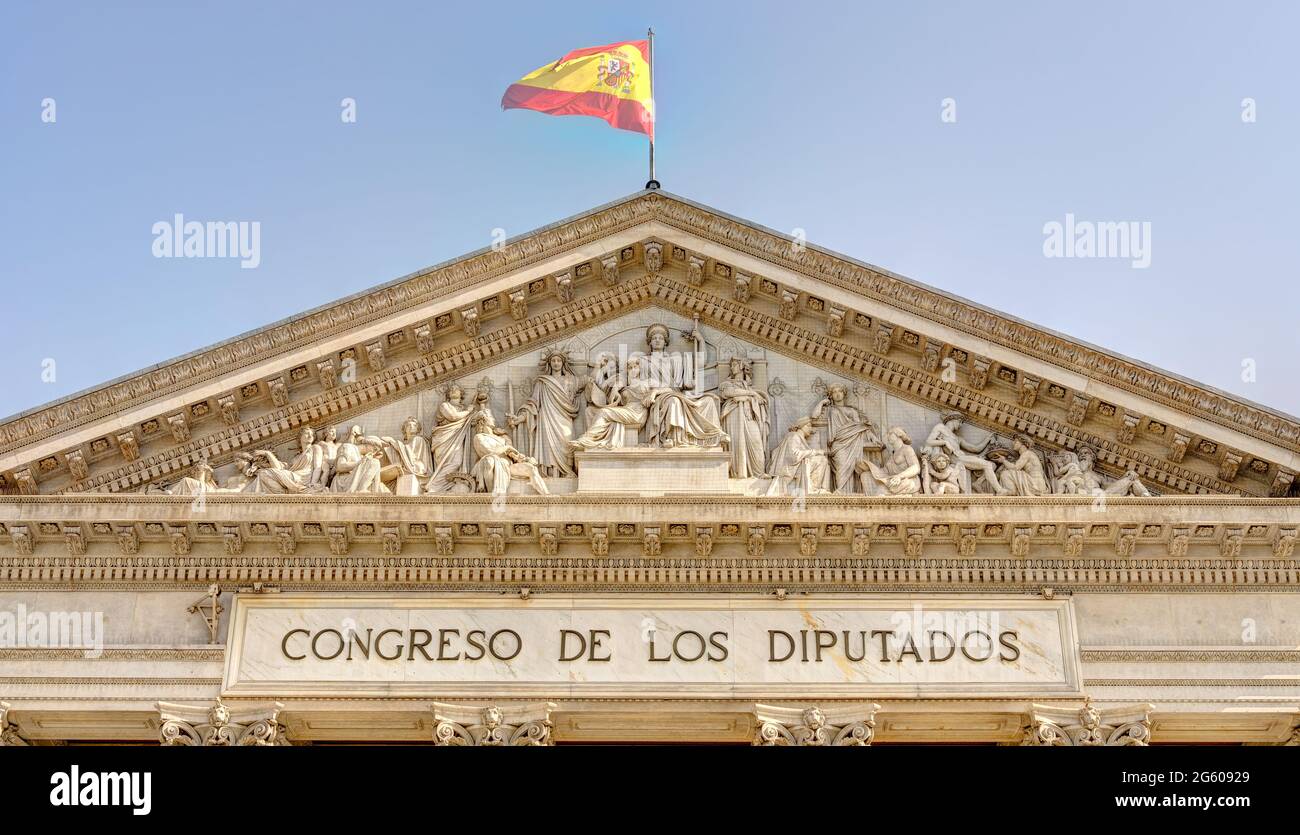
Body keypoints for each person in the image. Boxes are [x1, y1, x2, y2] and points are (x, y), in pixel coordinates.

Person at [509, 350, 585, 477]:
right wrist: (519, 419)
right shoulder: (543, 382)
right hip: (547, 418)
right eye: (553, 360)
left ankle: (566, 471)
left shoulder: (571, 380)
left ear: (563, 363)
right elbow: (533, 403)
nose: (556, 363)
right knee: (548, 447)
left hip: (565, 417)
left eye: (559, 360)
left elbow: (587, 381)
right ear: (549, 363)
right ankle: (551, 474)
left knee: (567, 441)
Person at [812, 383, 880, 493]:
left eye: (840, 391)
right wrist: (822, 403)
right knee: (841, 468)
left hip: (852, 441)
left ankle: (848, 495)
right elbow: (814, 416)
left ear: (844, 394)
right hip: (838, 444)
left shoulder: (852, 411)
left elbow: (860, 427)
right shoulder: (830, 410)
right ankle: (841, 492)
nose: (837, 394)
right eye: (834, 392)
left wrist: (872, 437)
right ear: (831, 395)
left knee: (852, 467)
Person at [924, 412, 1008, 495]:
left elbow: (975, 449)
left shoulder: (957, 438)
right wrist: (945, 442)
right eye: (960, 421)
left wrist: (988, 438)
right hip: (957, 459)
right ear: (953, 419)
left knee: (992, 465)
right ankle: (999, 490)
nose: (960, 425)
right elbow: (929, 441)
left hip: (963, 457)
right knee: (987, 465)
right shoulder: (940, 427)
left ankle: (978, 483)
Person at [472, 411, 549, 496]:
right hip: (492, 464)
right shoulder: (479, 437)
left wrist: (523, 458)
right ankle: (491, 496)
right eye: (490, 417)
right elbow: (489, 452)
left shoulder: (502, 438)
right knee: (489, 460)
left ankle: (546, 496)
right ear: (483, 421)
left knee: (531, 468)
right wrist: (506, 447)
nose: (493, 419)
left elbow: (513, 455)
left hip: (509, 466)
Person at [424, 386, 483, 493]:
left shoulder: (462, 409)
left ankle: (439, 485)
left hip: (458, 439)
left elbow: (474, 422)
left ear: (461, 394)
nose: (453, 390)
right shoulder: (444, 405)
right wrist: (468, 411)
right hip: (443, 438)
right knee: (449, 464)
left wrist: (481, 406)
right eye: (451, 389)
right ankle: (434, 485)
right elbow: (453, 416)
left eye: (456, 389)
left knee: (456, 462)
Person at [718, 358, 769, 478]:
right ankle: (738, 473)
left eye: (735, 364)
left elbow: (761, 401)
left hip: (748, 416)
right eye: (731, 365)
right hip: (733, 415)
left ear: (742, 366)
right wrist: (751, 394)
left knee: (756, 442)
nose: (732, 367)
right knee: (736, 442)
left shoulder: (748, 387)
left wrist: (750, 396)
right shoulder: (726, 383)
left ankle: (758, 473)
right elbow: (729, 393)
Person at [765, 418, 831, 497]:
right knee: (822, 460)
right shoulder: (794, 436)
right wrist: (815, 452)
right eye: (809, 426)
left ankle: (821, 488)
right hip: (791, 468)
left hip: (798, 466)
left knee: (823, 460)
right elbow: (794, 456)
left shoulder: (800, 438)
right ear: (802, 426)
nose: (811, 429)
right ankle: (814, 489)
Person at [243, 427, 320, 494]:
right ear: (300, 437)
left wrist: (313, 484)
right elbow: (279, 469)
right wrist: (268, 454)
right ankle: (283, 492)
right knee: (263, 474)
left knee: (266, 473)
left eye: (312, 434)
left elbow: (318, 467)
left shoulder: (315, 448)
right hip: (292, 477)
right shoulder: (296, 457)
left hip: (302, 479)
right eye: (307, 433)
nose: (310, 436)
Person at [863, 427, 922, 495]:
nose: (888, 436)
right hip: (893, 480)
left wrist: (899, 476)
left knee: (881, 491)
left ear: (899, 435)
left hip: (907, 480)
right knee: (865, 475)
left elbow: (916, 468)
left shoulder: (907, 449)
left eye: (890, 434)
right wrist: (869, 468)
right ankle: (869, 501)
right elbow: (884, 472)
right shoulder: (891, 456)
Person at [331, 426, 388, 493]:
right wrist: (361, 462)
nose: (374, 452)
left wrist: (367, 460)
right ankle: (362, 489)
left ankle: (375, 492)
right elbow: (340, 467)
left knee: (382, 487)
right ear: (368, 443)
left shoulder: (361, 456)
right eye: (375, 449)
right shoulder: (348, 447)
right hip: (344, 482)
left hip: (355, 481)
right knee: (375, 462)